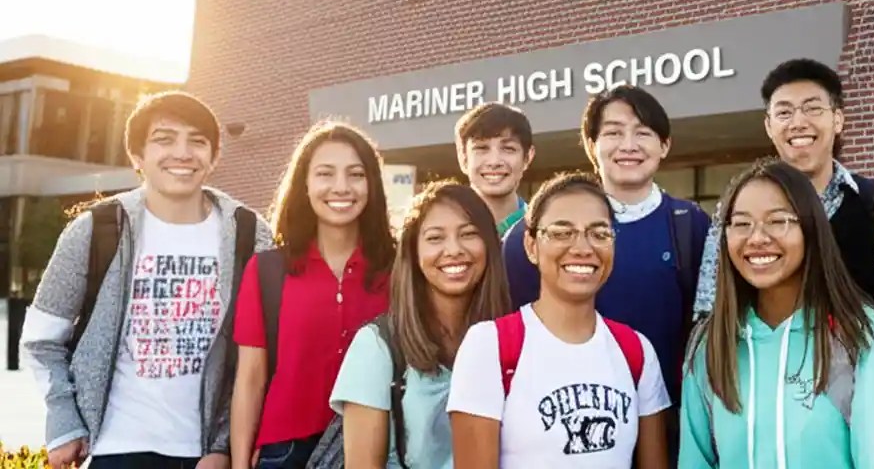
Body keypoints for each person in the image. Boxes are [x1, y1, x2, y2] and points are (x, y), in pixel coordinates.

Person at [21, 90, 274, 469]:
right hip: (116, 447)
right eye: (165, 139)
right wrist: (65, 423)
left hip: (206, 454)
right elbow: (42, 339)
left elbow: (262, 353)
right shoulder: (97, 229)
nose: (183, 153)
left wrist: (223, 446)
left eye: (198, 141)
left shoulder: (248, 233)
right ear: (137, 156)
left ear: (215, 156)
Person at [680, 159, 874, 468]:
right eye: (741, 223)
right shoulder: (712, 344)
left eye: (777, 220)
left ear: (810, 227)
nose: (757, 238)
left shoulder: (858, 335)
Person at [503, 86, 711, 410]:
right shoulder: (533, 234)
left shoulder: (692, 225)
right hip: (563, 414)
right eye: (613, 132)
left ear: (665, 145)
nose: (628, 145)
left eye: (643, 133)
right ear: (591, 145)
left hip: (668, 418)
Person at [450, 173, 670, 468]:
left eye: (599, 233)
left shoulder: (636, 351)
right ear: (531, 246)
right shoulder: (490, 346)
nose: (582, 247)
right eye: (562, 232)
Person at [230, 121, 396, 469]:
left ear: (372, 185)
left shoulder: (398, 269)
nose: (341, 187)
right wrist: (240, 462)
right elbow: (250, 378)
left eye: (355, 174)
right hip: (283, 453)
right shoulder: (266, 270)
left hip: (373, 449)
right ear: (304, 184)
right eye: (325, 174)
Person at [330, 181, 511, 468]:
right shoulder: (377, 347)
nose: (453, 250)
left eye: (468, 234)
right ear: (413, 252)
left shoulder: (512, 339)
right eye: (435, 238)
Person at [693, 58, 874, 321]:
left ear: (838, 120)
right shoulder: (736, 207)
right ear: (769, 127)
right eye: (784, 112)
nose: (798, 122)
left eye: (812, 109)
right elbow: (711, 303)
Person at [455, 103, 536, 238]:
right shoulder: (439, 230)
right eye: (481, 148)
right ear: (463, 158)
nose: (494, 162)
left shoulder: (542, 231)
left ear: (528, 157)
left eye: (508, 149)